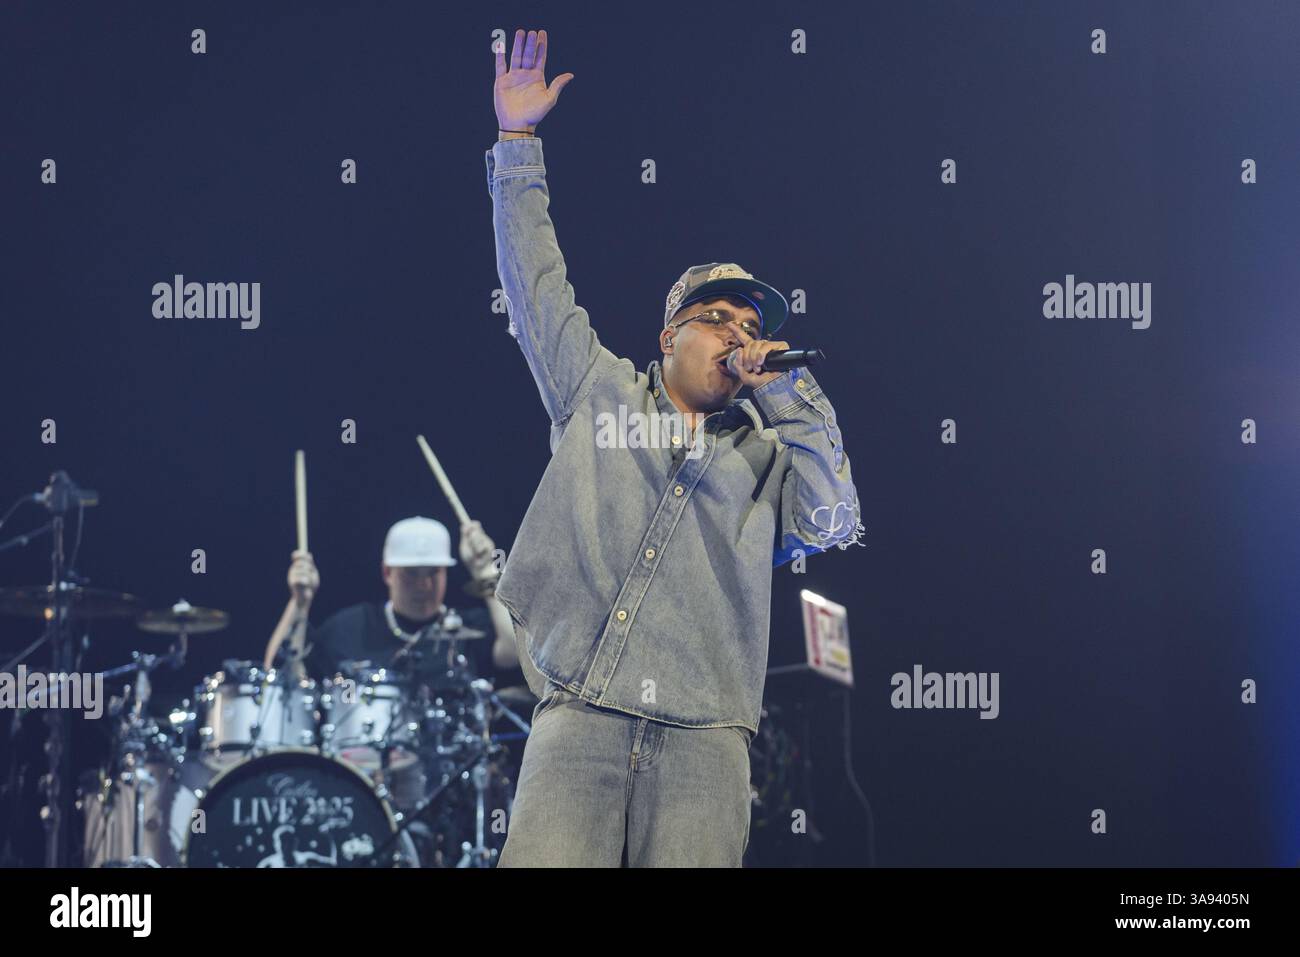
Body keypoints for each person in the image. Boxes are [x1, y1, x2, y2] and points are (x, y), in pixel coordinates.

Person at [485, 29, 863, 867]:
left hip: (705, 744)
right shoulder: (600, 391)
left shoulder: (767, 462)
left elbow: (835, 514)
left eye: (753, 326)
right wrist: (517, 145)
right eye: (717, 318)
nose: (737, 334)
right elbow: (535, 283)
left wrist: (784, 390)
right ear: (668, 335)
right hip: (578, 716)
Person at [262, 516, 521, 689]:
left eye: (433, 573)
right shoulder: (348, 628)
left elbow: (515, 654)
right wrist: (300, 602)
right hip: (364, 768)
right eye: (411, 573)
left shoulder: (467, 629)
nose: (424, 585)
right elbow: (279, 675)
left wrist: (486, 571)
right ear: (387, 573)